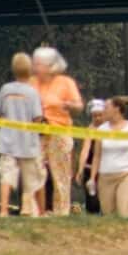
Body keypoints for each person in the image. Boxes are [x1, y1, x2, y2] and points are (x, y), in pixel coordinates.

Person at [0, 53, 43, 217]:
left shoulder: (5, 90)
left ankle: (3, 210)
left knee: (6, 176)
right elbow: (38, 117)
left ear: (14, 70)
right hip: (28, 143)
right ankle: (32, 209)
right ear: (30, 71)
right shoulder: (32, 92)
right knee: (31, 178)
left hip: (7, 141)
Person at [32, 47, 81, 216]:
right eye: (35, 64)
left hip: (60, 132)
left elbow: (78, 106)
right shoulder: (32, 83)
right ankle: (36, 210)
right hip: (37, 133)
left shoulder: (65, 83)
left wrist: (69, 105)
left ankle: (61, 211)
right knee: (35, 169)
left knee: (60, 174)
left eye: (40, 64)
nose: (36, 67)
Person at [90, 96, 128, 218]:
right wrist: (92, 177)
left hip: (126, 174)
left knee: (124, 213)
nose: (103, 110)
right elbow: (97, 156)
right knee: (109, 216)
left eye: (106, 108)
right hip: (105, 177)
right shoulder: (101, 130)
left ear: (116, 109)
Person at [75, 100, 106, 214]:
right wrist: (80, 169)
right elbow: (85, 150)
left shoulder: (111, 129)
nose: (97, 118)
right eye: (94, 116)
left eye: (100, 115)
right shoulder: (90, 130)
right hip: (90, 168)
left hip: (107, 169)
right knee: (92, 202)